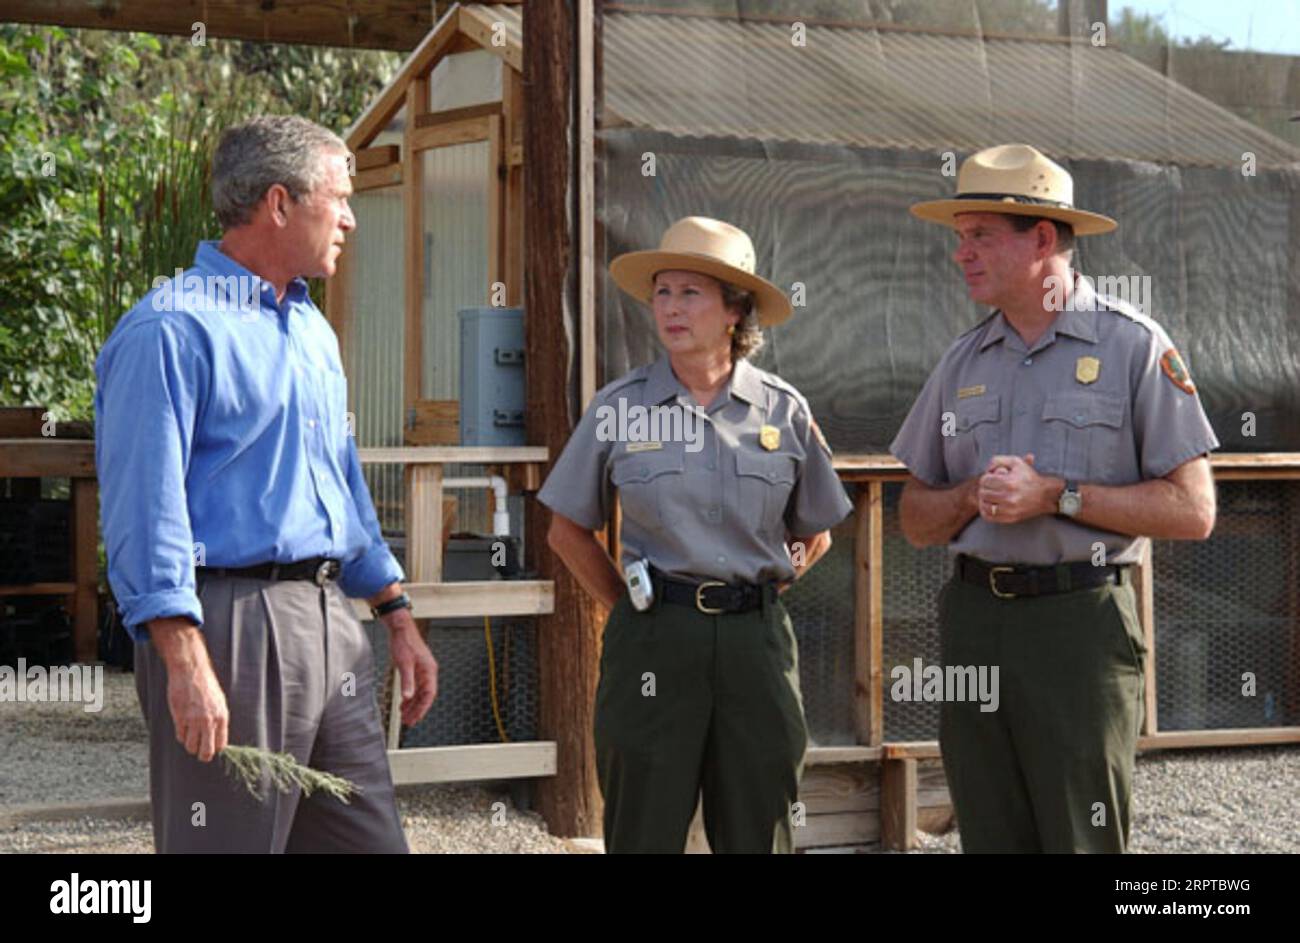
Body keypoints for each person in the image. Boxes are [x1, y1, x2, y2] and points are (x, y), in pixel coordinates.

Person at [95, 115, 438, 853]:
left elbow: (339, 481)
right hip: (228, 622)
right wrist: (184, 659)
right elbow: (143, 507)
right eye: (338, 197)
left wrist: (395, 610)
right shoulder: (168, 330)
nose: (349, 216)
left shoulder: (312, 330)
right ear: (279, 204)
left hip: (330, 619)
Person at [892, 143, 1219, 852]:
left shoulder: (1133, 345)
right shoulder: (961, 361)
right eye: (959, 238)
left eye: (979, 235)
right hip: (976, 619)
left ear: (1042, 238)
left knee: (1080, 834)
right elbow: (914, 519)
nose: (962, 254)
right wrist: (968, 497)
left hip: (1081, 627)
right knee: (989, 828)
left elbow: (1193, 510)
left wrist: (1056, 496)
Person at [540, 216, 853, 853]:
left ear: (736, 310)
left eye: (691, 293)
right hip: (654, 644)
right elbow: (567, 531)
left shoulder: (783, 409)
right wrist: (632, 608)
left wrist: (758, 594)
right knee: (643, 828)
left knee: (760, 828)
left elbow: (816, 532)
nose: (671, 308)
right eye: (662, 292)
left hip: (755, 647)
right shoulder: (619, 407)